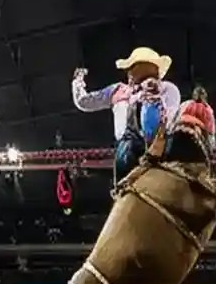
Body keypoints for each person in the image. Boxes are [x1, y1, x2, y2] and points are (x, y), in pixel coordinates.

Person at [71, 46, 182, 184]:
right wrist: (78, 82)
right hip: (127, 146)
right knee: (126, 150)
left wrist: (154, 97)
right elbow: (85, 102)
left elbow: (171, 116)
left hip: (159, 145)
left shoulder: (166, 88)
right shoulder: (118, 91)